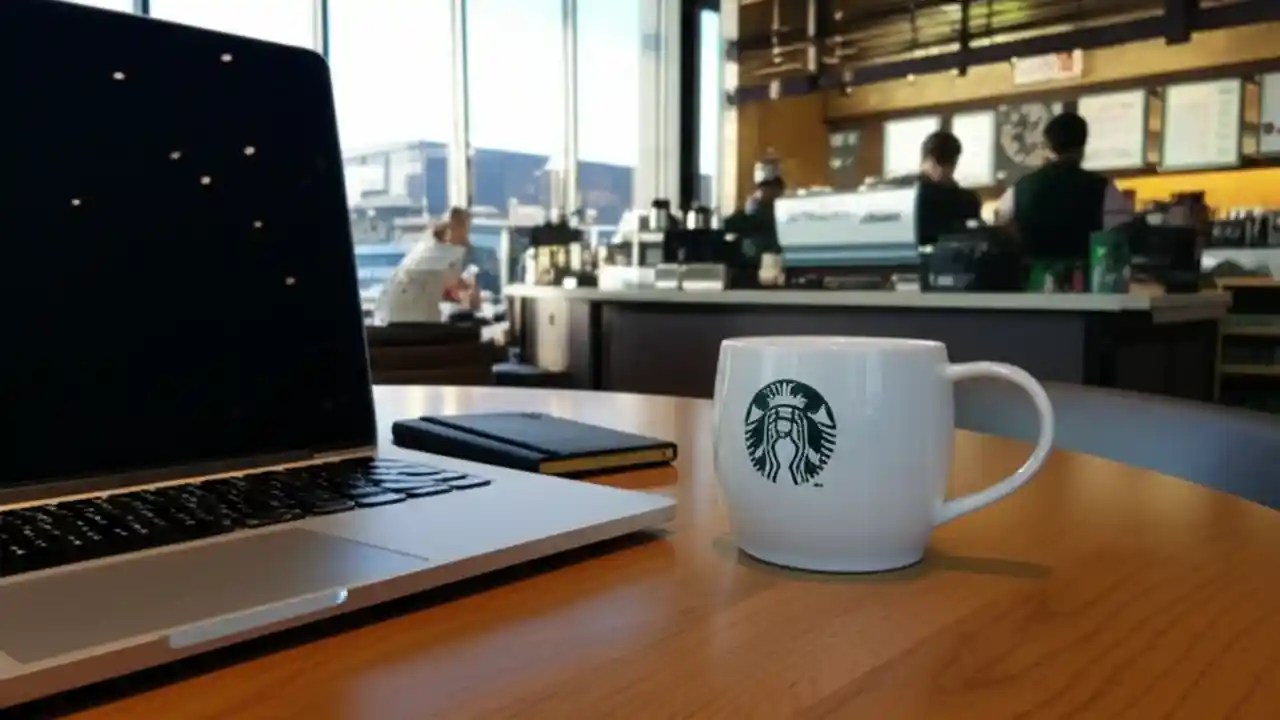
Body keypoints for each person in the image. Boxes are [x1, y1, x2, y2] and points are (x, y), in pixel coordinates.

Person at [995, 111, 1130, 261]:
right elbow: (1119, 235)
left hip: (1033, 279)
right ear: (1083, 143)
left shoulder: (1020, 188)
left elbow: (1001, 228)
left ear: (1049, 144)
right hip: (1084, 279)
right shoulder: (1103, 188)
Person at [914, 130, 983, 246]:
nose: (942, 170)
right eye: (937, 163)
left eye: (949, 164)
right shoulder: (967, 200)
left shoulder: (966, 200)